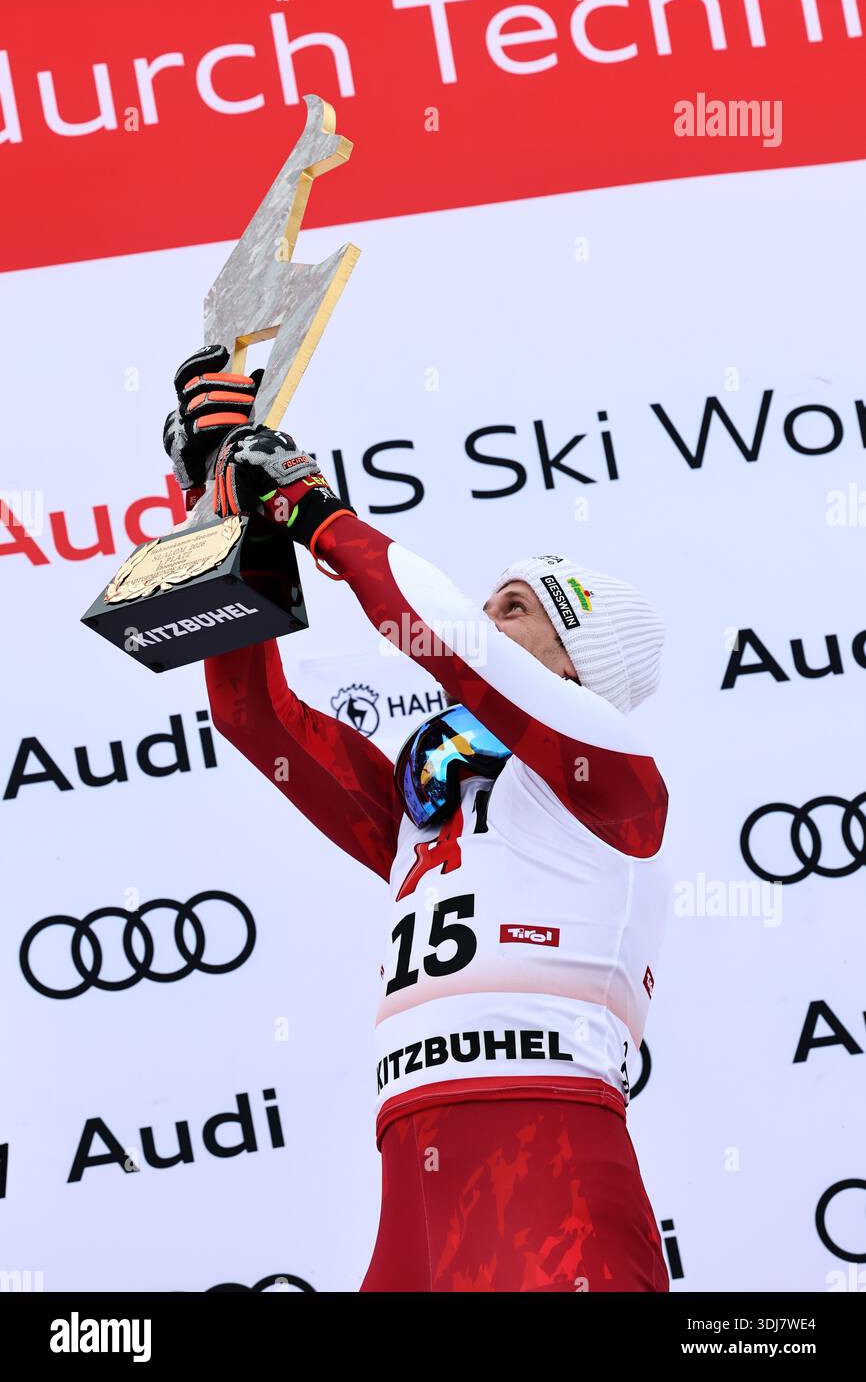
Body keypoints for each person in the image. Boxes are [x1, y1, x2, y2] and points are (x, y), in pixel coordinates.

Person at [164, 347, 673, 1293]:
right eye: (489, 601)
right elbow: (255, 716)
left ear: (573, 668)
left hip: (546, 1158)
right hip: (415, 1177)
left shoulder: (611, 779)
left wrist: (311, 507)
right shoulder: (427, 806)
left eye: (515, 609)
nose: (487, 615)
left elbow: (451, 641)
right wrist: (229, 523)